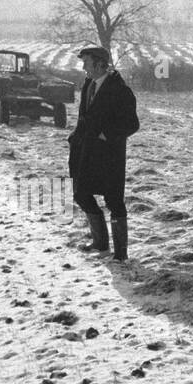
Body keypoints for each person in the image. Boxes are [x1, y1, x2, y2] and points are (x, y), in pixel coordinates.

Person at [68, 46, 140, 262]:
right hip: (85, 151)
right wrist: (75, 137)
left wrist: (105, 135)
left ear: (100, 64)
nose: (83, 67)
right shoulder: (89, 85)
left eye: (87, 63)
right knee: (81, 194)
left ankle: (120, 254)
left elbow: (132, 124)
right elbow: (85, 117)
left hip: (108, 155)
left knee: (114, 200)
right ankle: (100, 242)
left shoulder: (120, 90)